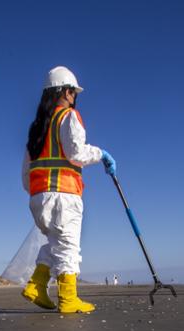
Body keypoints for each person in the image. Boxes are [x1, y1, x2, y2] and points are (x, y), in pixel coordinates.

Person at [20, 66, 115, 313]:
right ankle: (68, 299)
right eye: (72, 92)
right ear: (64, 91)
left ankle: (37, 285)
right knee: (68, 247)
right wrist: (101, 154)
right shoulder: (68, 117)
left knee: (55, 244)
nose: (74, 97)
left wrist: (37, 194)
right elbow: (76, 153)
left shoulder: (37, 127)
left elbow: (25, 172)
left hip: (38, 196)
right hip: (64, 195)